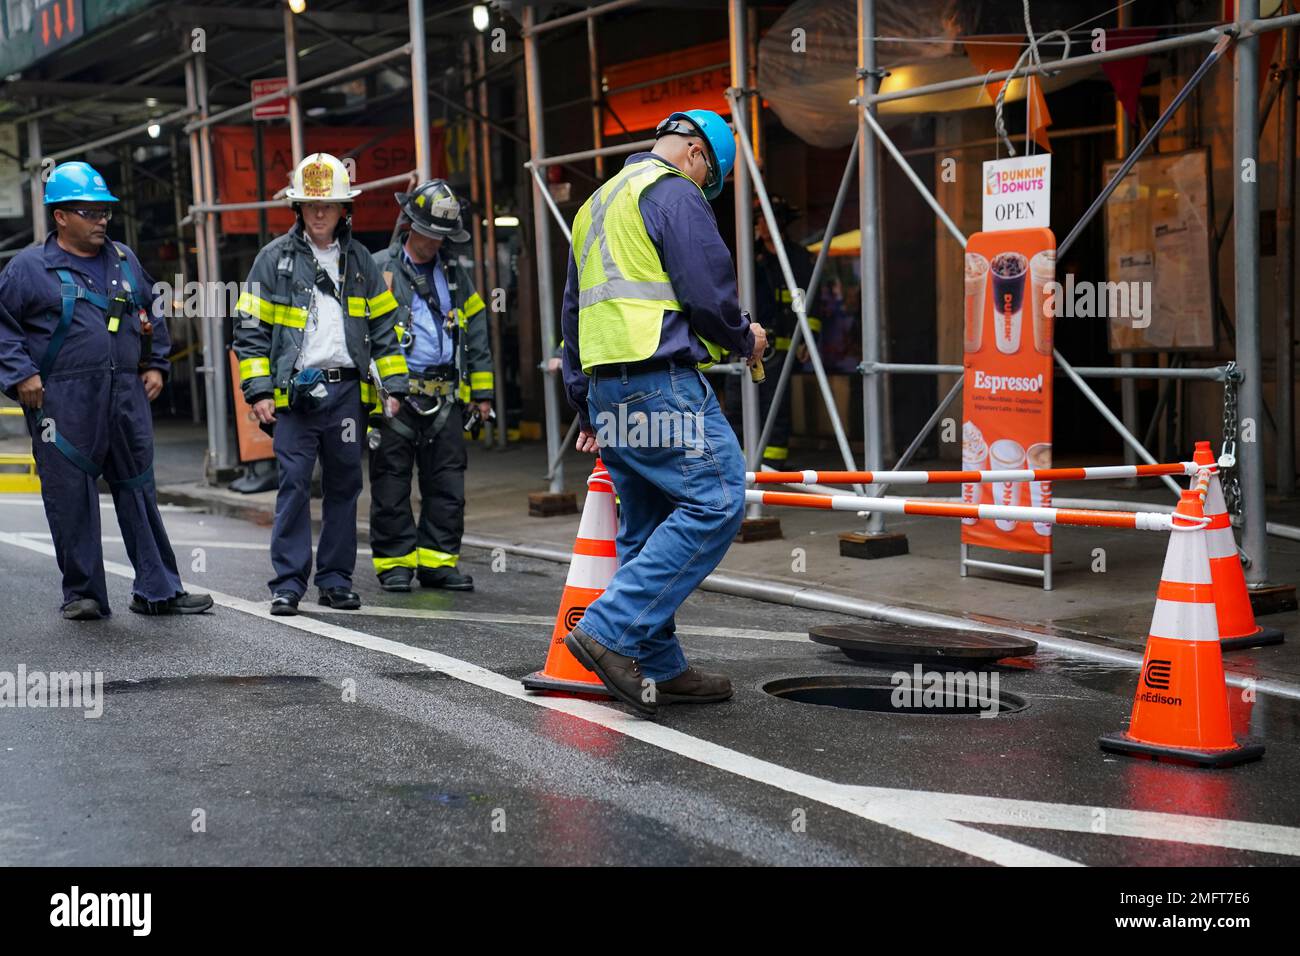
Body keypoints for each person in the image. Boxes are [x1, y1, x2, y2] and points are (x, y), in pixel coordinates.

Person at [558, 108, 767, 718]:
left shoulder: (594, 204)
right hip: (660, 381)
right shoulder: (673, 191)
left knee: (646, 525)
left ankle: (659, 667)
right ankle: (608, 628)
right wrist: (743, 337)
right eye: (710, 180)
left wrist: (585, 406)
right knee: (718, 498)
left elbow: (573, 316)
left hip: (608, 388)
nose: (704, 188)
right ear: (699, 155)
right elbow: (705, 294)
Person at [0, 161, 212, 620]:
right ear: (60, 216)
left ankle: (159, 589)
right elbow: (4, 328)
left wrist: (156, 362)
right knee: (70, 495)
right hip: (62, 399)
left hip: (125, 395)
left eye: (105, 213)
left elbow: (151, 307)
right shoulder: (28, 269)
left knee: (138, 489)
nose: (101, 221)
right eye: (90, 213)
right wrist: (21, 373)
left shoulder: (122, 258)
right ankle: (84, 593)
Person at [232, 152, 407, 616]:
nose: (320, 213)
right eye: (312, 206)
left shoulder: (361, 262)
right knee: (293, 484)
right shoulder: (272, 260)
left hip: (347, 393)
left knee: (345, 486)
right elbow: (249, 332)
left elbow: (386, 326)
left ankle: (335, 580)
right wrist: (261, 391)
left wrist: (396, 387)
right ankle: (287, 584)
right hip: (295, 395)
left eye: (328, 205)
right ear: (298, 210)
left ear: (344, 209)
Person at [367, 180, 494, 592]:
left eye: (443, 236)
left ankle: (439, 562)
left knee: (447, 484)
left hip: (445, 399)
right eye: (431, 234)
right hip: (396, 398)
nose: (436, 243)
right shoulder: (379, 269)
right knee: (391, 483)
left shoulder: (455, 274)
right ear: (410, 225)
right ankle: (395, 564)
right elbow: (360, 332)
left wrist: (483, 394)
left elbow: (475, 331)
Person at [725, 195, 820, 466]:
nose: (762, 226)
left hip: (783, 343)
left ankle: (772, 463)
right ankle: (740, 463)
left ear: (781, 223)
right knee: (738, 402)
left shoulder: (799, 259)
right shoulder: (747, 255)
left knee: (775, 405)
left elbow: (808, 300)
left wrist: (808, 338)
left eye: (768, 220)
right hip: (745, 340)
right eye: (759, 221)